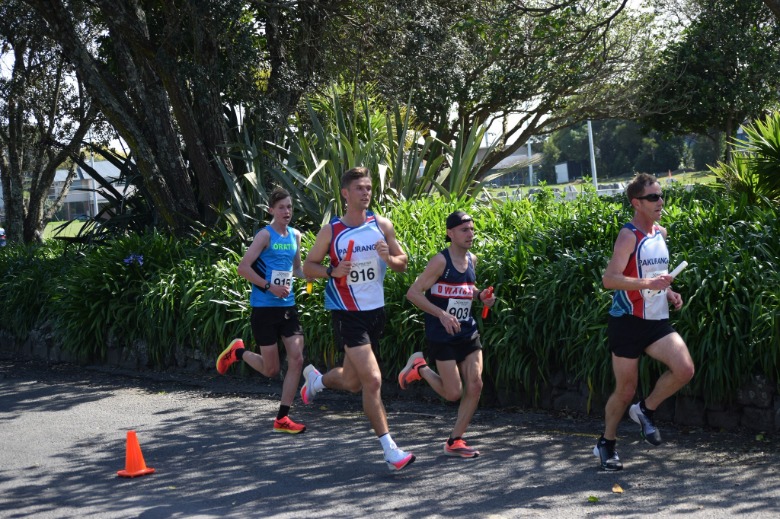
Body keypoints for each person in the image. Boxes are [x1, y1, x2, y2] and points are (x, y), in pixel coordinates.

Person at [300, 166, 415, 471]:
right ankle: (390, 450)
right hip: (346, 312)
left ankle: (317, 380)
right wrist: (331, 271)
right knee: (372, 380)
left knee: (352, 382)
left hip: (374, 311)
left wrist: (388, 258)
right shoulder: (332, 231)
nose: (366, 193)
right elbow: (308, 266)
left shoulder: (381, 225)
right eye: (360, 188)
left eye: (368, 188)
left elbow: (402, 264)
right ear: (345, 194)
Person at [594, 173, 695, 471]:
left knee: (685, 369)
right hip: (626, 321)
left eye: (661, 196)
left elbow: (656, 278)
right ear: (637, 203)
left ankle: (645, 410)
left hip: (655, 319)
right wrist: (650, 283)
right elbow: (609, 280)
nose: (660, 201)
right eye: (653, 197)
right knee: (625, 389)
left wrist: (669, 291)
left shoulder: (659, 234)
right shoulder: (629, 235)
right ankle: (607, 443)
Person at [401, 210, 495, 458]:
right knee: (453, 393)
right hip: (441, 333)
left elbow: (467, 288)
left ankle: (455, 440)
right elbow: (413, 293)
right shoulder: (440, 262)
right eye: (464, 230)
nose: (470, 234)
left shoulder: (472, 259)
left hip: (467, 330)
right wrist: (441, 314)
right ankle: (420, 367)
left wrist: (481, 296)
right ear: (450, 233)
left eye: (472, 229)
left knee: (475, 385)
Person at [216, 187, 309, 434]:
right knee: (272, 370)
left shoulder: (295, 236)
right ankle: (238, 352)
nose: (287, 212)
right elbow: (243, 268)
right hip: (265, 309)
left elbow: (297, 270)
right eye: (281, 208)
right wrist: (269, 286)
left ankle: (282, 418)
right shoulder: (264, 236)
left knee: (297, 358)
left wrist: (322, 273)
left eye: (289, 207)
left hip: (288, 308)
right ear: (271, 210)